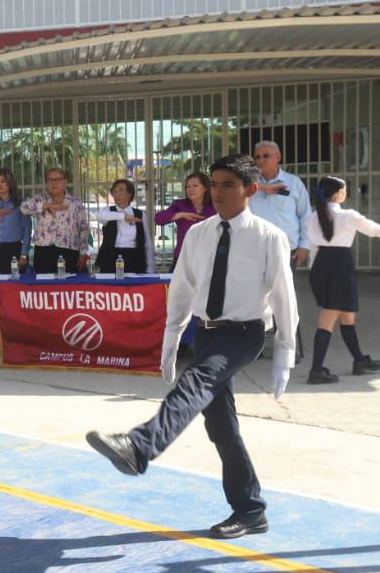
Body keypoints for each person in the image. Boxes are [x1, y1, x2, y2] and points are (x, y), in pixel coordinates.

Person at [86, 154, 297, 540]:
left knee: (197, 379)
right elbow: (182, 290)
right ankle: (250, 510)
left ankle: (140, 446)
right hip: (207, 332)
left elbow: (284, 298)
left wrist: (285, 352)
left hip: (244, 333)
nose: (217, 192)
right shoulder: (199, 234)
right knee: (221, 426)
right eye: (214, 184)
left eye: (228, 185)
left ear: (250, 190)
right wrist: (170, 340)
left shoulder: (269, 237)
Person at [304, 176, 380, 384]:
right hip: (339, 267)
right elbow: (377, 231)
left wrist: (315, 273)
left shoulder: (312, 217)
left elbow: (313, 248)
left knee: (347, 315)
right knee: (329, 317)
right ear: (337, 194)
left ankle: (359, 360)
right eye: (344, 190)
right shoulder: (347, 216)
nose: (346, 193)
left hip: (321, 266)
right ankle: (316, 370)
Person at [249, 140, 310, 362]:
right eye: (257, 157)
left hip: (287, 251)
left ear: (278, 157)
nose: (261, 160)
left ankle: (288, 349)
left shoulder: (293, 184)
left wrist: (305, 245)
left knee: (284, 299)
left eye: (266, 155)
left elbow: (306, 215)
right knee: (255, 300)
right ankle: (255, 349)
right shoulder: (248, 186)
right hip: (254, 251)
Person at [21, 167, 91, 274]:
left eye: (58, 179)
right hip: (43, 251)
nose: (54, 183)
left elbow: (84, 228)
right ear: (47, 183)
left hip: (69, 250)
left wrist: (83, 253)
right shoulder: (40, 199)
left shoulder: (75, 202)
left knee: (67, 286)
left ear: (64, 182)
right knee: (44, 286)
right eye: (50, 180)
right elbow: (23, 208)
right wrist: (47, 205)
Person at [155, 172, 216, 269]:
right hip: (183, 258)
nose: (190, 189)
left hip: (208, 258)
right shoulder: (179, 205)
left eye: (195, 186)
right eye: (187, 186)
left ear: (205, 188)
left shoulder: (215, 206)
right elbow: (158, 219)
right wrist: (181, 214)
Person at [95, 179, 156, 274]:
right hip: (111, 257)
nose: (117, 194)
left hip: (134, 257)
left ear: (129, 194)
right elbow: (99, 217)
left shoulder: (140, 214)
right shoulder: (108, 211)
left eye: (121, 190)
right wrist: (122, 217)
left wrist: (150, 268)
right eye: (114, 191)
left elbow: (147, 242)